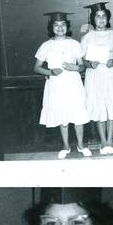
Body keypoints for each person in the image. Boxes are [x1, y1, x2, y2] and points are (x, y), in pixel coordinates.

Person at [34, 10, 92, 158]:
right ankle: (66, 147)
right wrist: (51, 72)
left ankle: (80, 146)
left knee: (77, 115)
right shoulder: (46, 45)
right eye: (56, 25)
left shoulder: (74, 44)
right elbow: (36, 67)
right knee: (62, 117)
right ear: (51, 27)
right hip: (56, 86)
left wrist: (75, 68)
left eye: (63, 25)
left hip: (73, 84)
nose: (60, 28)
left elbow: (82, 66)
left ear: (67, 26)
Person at [79, 2, 113, 154]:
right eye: (97, 16)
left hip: (111, 75)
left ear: (107, 18)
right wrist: (89, 64)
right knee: (99, 107)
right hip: (95, 76)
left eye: (103, 16)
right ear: (93, 19)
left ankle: (110, 140)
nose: (100, 19)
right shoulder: (87, 37)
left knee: (111, 106)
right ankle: (103, 141)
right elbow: (82, 61)